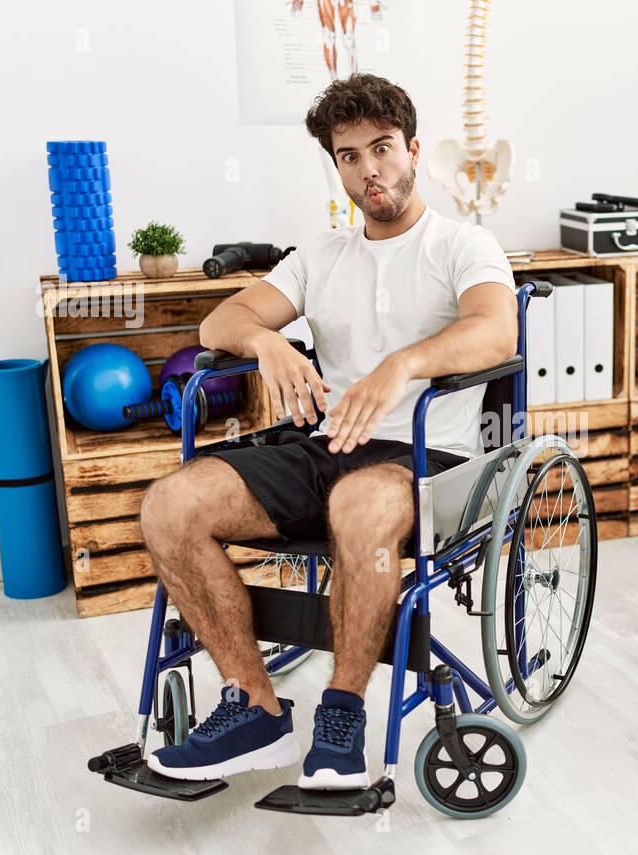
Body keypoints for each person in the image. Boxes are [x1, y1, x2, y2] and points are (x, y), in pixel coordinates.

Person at [138, 72, 517, 789]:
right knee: (169, 504)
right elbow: (220, 324)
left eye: (381, 149)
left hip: (426, 456)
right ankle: (253, 706)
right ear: (337, 167)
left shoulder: (465, 245)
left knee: (359, 505)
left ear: (411, 149)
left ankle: (341, 710)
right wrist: (271, 344)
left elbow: (496, 332)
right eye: (349, 156)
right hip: (326, 446)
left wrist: (401, 366)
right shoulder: (321, 256)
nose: (369, 170)